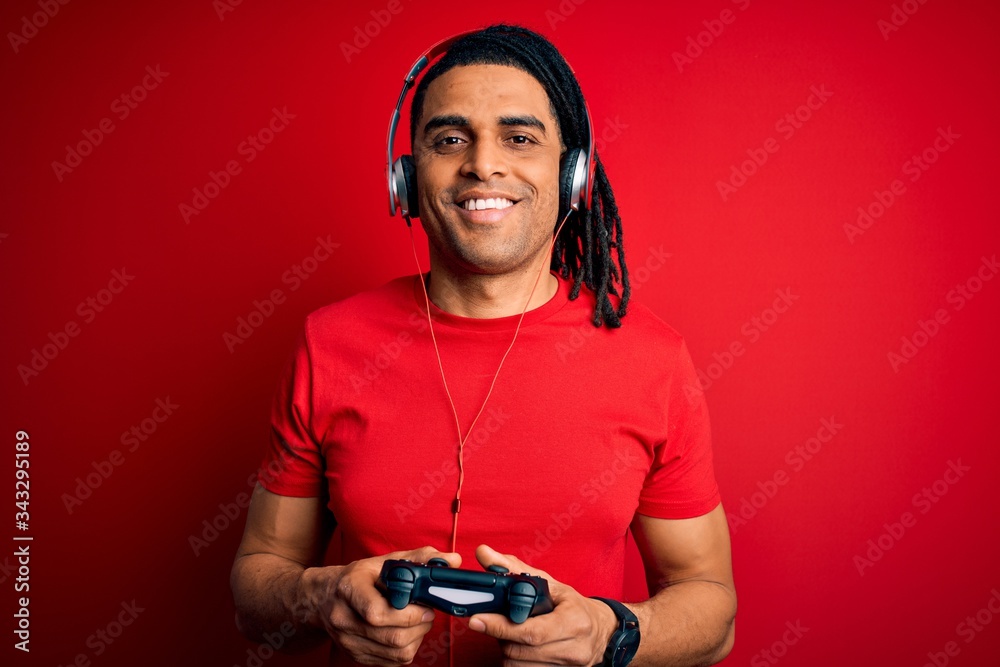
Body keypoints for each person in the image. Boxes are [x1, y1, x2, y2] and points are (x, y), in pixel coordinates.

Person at [230, 24, 735, 667]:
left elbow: (714, 608)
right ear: (407, 178)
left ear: (573, 175)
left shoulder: (653, 360)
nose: (483, 164)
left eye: (519, 138)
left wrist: (607, 634)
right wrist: (321, 594)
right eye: (450, 139)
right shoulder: (329, 343)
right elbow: (255, 590)